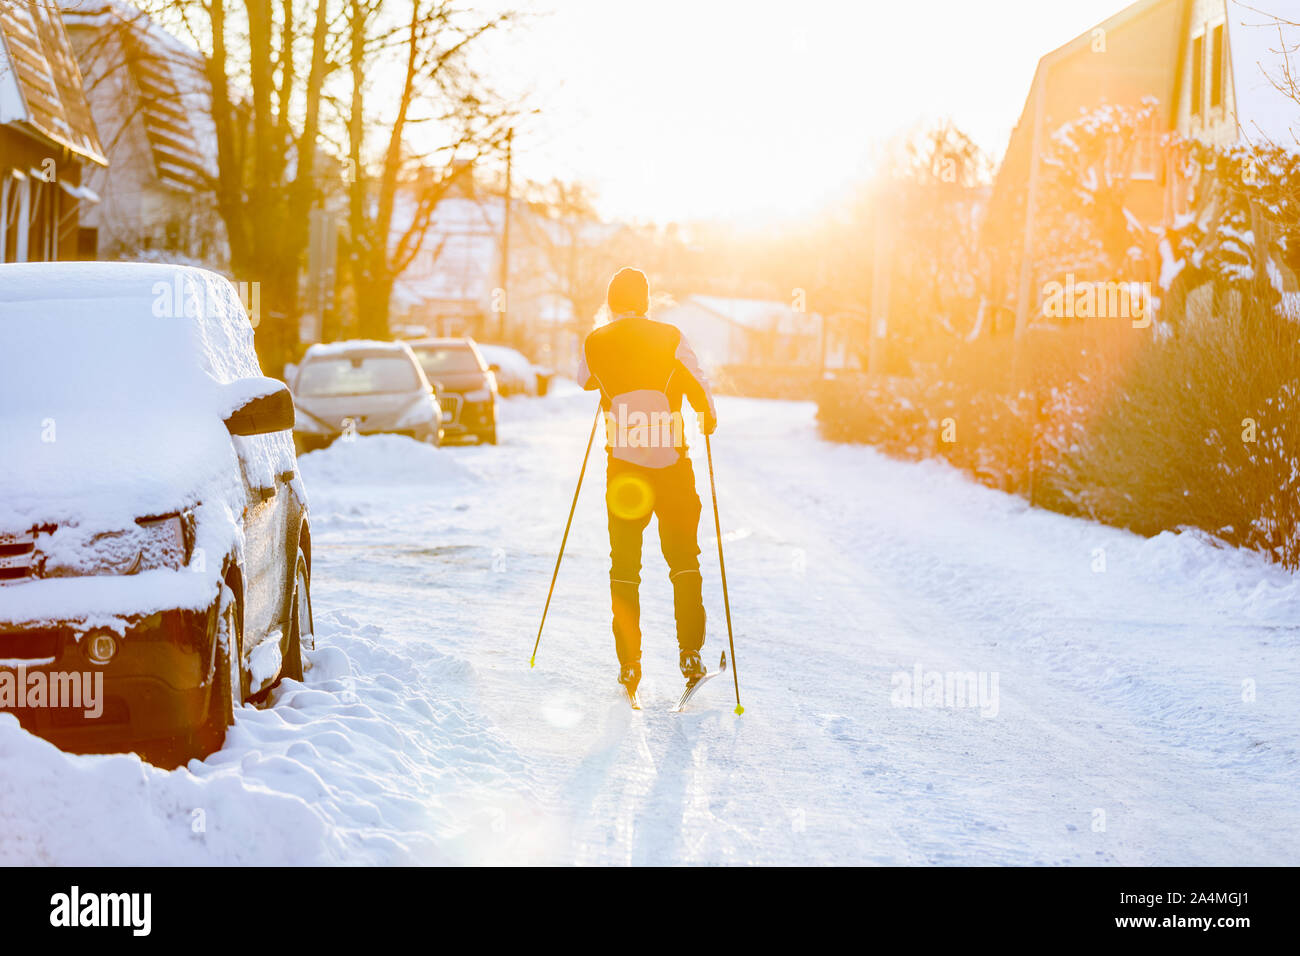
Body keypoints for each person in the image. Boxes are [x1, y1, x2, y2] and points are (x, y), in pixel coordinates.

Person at [577, 267, 717, 695]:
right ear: (646, 300)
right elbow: (700, 389)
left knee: (624, 565)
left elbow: (585, 380)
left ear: (610, 302)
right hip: (672, 468)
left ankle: (629, 663)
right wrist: (707, 417)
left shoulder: (595, 341)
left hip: (624, 474)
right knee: (684, 560)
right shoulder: (671, 337)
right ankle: (690, 653)